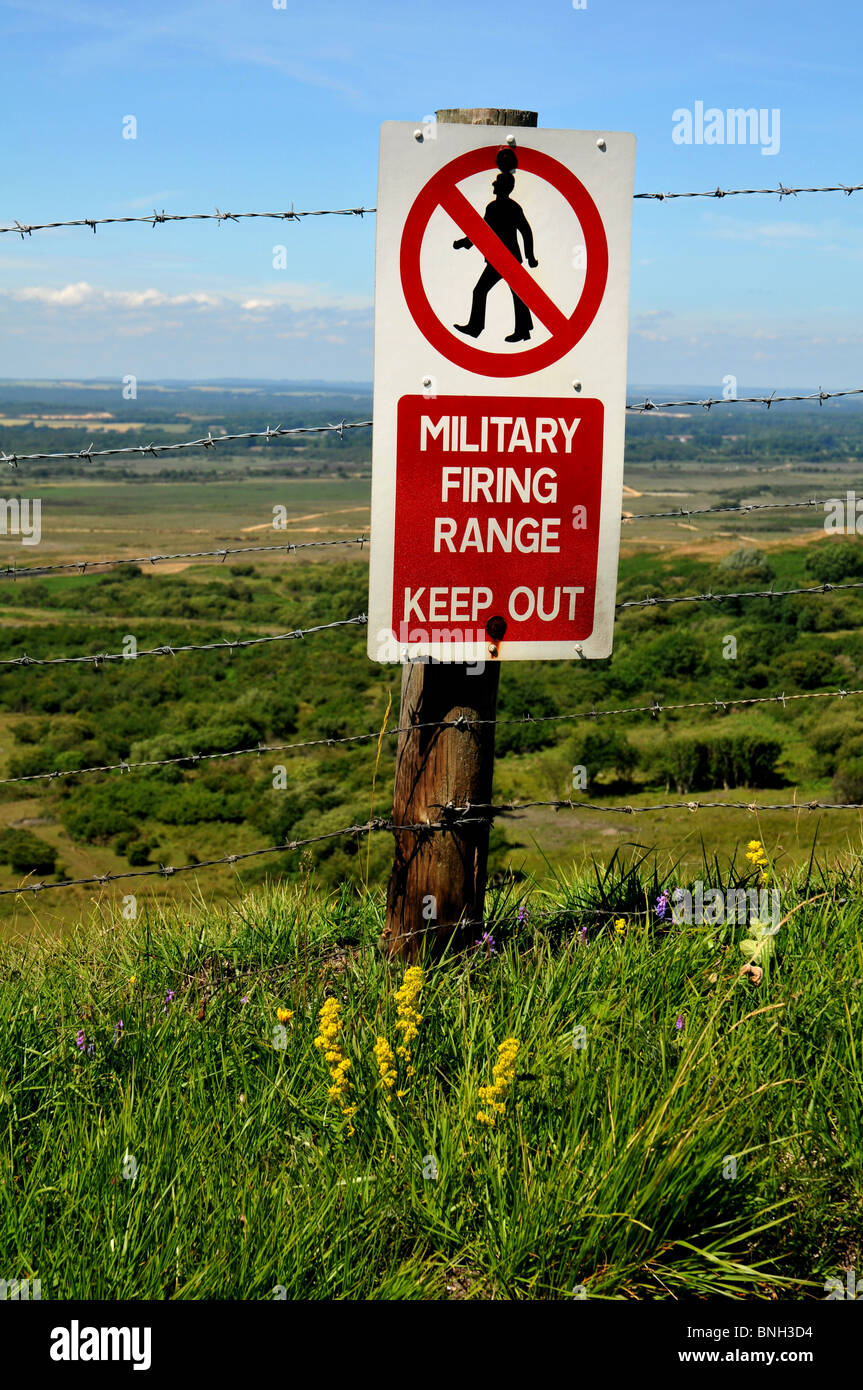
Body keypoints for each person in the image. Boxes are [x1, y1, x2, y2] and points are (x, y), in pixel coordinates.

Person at [452, 170, 539, 342]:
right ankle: (521, 330)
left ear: (504, 187)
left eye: (497, 182)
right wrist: (465, 243)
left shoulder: (510, 207)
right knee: (515, 293)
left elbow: (525, 231)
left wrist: (530, 256)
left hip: (506, 259)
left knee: (485, 291)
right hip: (499, 259)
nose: (493, 184)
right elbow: (481, 232)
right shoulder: (493, 207)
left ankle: (478, 327)